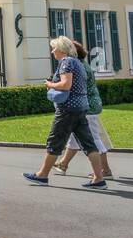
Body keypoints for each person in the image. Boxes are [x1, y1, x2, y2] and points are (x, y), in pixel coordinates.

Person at [23, 36, 107, 188]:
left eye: (54, 48)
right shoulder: (79, 64)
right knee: (88, 144)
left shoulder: (66, 62)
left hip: (68, 109)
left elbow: (66, 85)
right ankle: (99, 179)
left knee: (55, 141)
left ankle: (42, 175)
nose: (52, 51)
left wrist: (50, 84)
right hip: (81, 107)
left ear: (61, 49)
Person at [55, 38, 115, 178]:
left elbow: (67, 85)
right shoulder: (82, 64)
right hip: (89, 105)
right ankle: (63, 164)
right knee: (77, 137)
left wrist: (53, 84)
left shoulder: (76, 65)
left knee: (93, 139)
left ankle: (104, 171)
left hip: (85, 106)